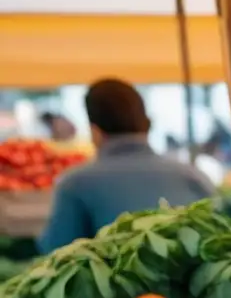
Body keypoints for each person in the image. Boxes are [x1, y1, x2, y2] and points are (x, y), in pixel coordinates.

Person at [38, 78, 215, 253]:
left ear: (94, 131)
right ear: (147, 125)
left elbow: (57, 253)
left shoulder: (75, 184)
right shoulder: (195, 177)